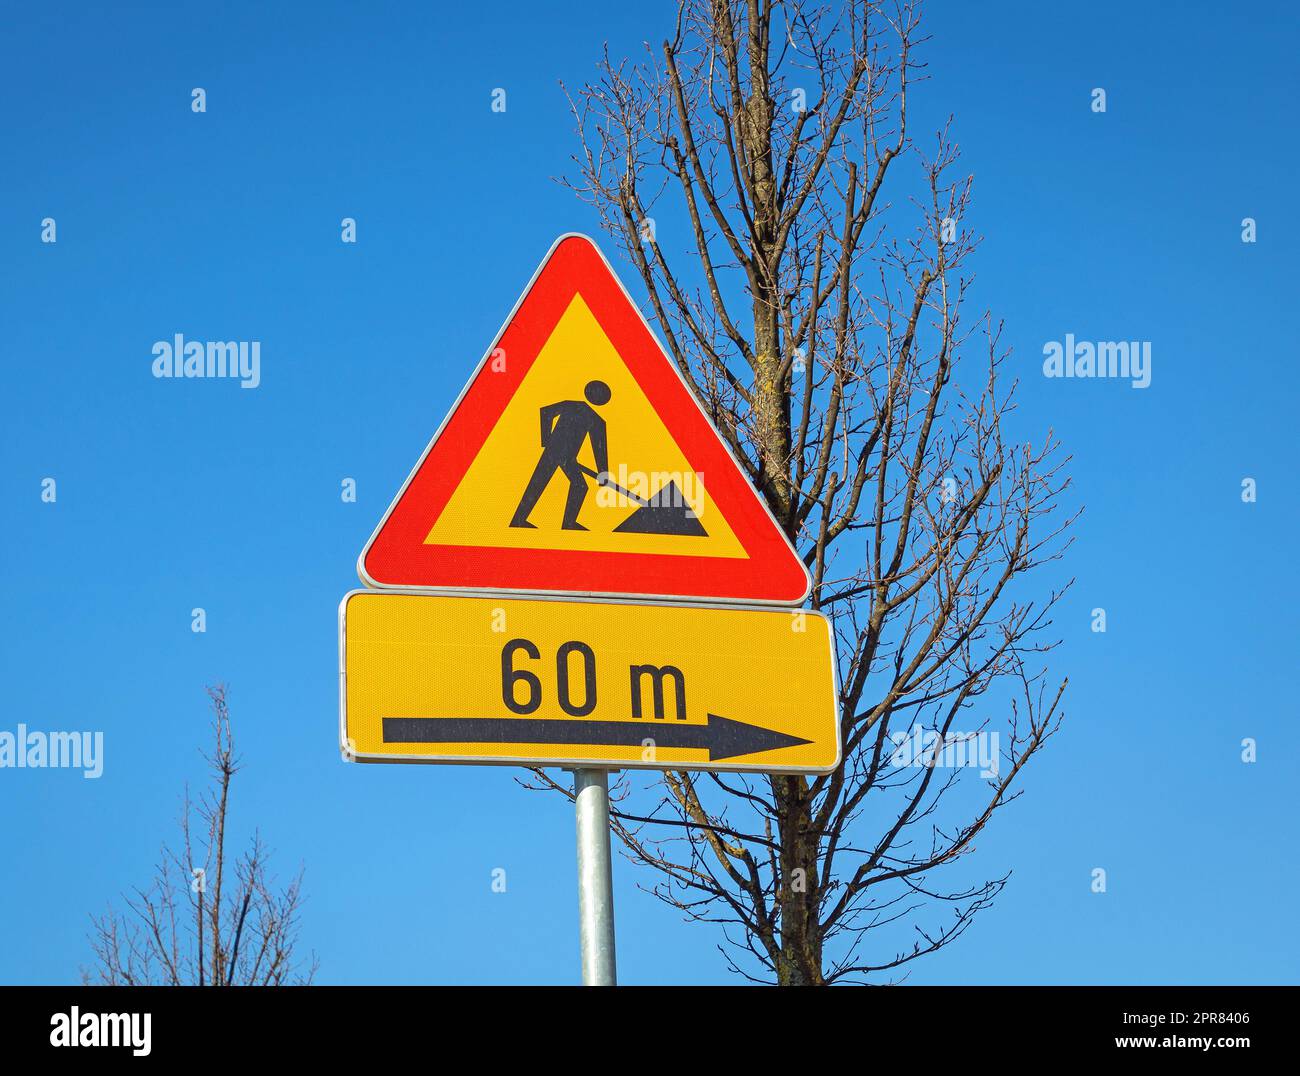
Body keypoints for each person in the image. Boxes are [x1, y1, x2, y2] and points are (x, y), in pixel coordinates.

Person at [509, 380, 611, 530]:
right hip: (553, 452)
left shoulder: (594, 419)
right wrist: (547, 441)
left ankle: (568, 524)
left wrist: (603, 473)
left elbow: (599, 448)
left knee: (579, 485)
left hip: (567, 457)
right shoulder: (581, 411)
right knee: (538, 483)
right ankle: (519, 520)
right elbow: (545, 412)